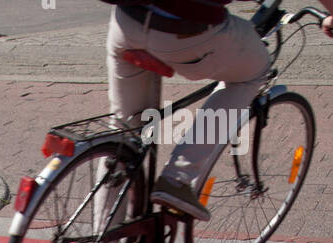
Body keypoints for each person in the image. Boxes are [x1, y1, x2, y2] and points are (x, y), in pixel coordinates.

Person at [101, 1, 333, 221]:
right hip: (185, 32)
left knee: (123, 131)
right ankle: (178, 177)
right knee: (253, 71)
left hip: (127, 22)